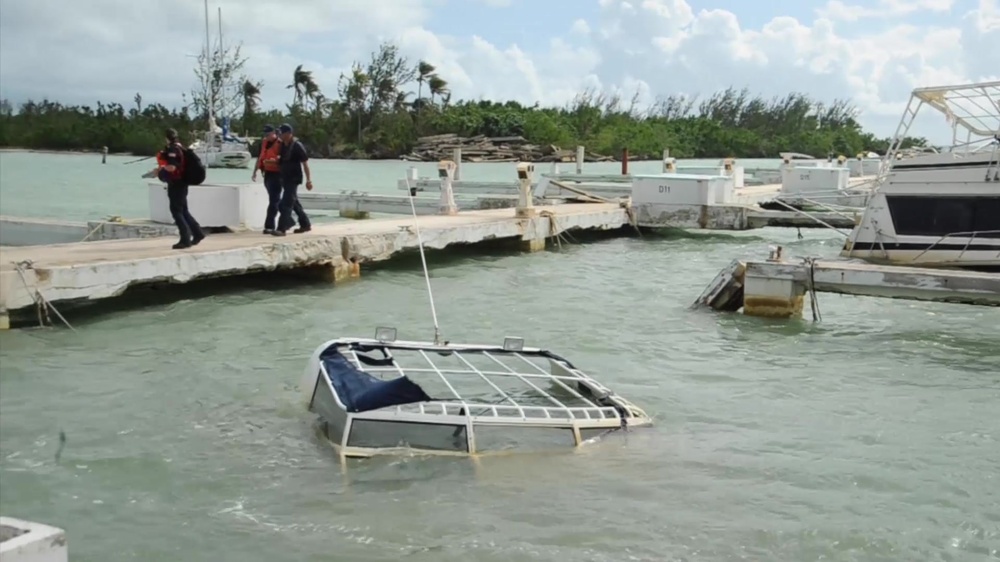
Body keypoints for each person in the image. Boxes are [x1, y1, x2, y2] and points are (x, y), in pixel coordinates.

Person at [151, 128, 205, 249]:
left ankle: (185, 239)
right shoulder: (180, 147)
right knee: (183, 210)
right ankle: (197, 233)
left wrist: (160, 170)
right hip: (183, 182)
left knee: (176, 212)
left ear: (166, 138)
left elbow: (172, 167)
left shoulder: (172, 149)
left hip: (177, 183)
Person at [273, 123, 313, 236]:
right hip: (285, 178)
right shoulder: (283, 146)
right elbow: (281, 161)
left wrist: (309, 180)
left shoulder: (297, 146)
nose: (279, 135)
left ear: (289, 134)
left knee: (286, 204)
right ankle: (305, 224)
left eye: (282, 133)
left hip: (294, 179)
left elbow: (305, 164)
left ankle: (281, 229)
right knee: (292, 202)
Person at [252, 124, 283, 234]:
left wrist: (272, 161)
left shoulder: (280, 143)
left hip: (277, 174)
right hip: (268, 173)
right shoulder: (264, 143)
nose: (267, 136)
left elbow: (283, 160)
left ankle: (269, 226)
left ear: (274, 132)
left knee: (274, 200)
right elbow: (260, 157)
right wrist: (255, 171)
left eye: (269, 134)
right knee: (277, 200)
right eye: (265, 134)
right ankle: (294, 220)